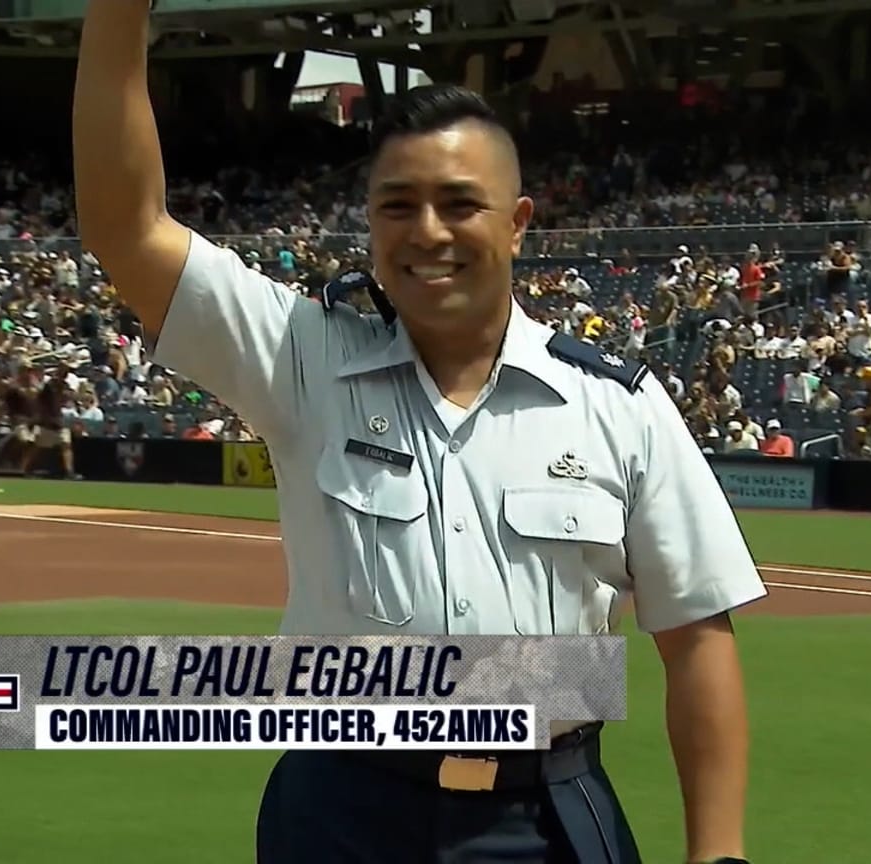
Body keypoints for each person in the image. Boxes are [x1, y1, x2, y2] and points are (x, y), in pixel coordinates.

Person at [72, 6, 766, 863]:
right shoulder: (303, 360)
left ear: (517, 223)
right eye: (397, 206)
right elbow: (125, 228)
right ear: (370, 223)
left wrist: (718, 854)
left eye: (459, 204)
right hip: (341, 813)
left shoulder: (617, 405)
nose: (427, 232)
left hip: (544, 818)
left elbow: (696, 639)